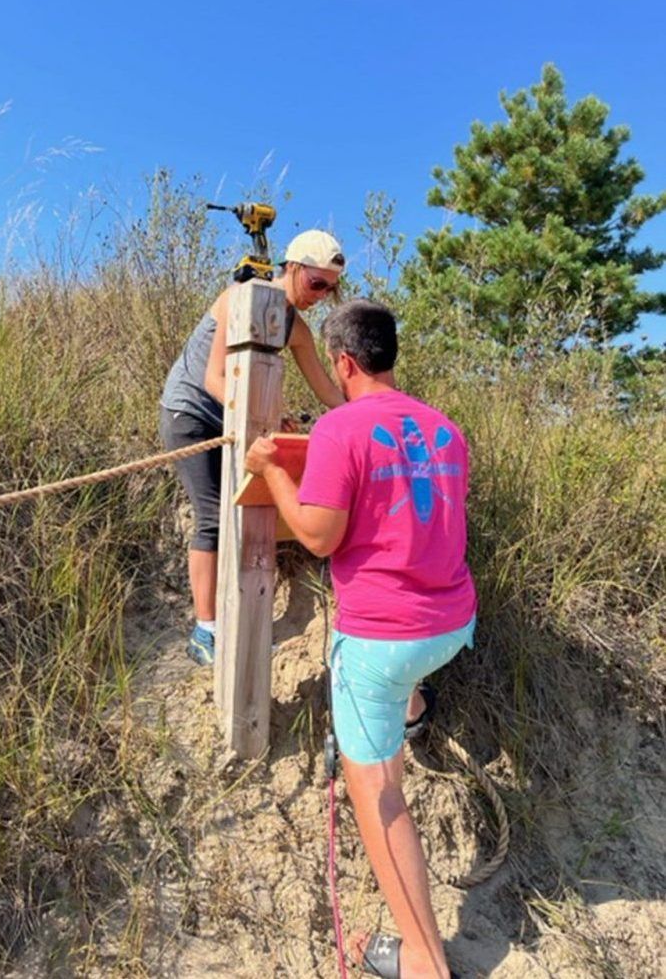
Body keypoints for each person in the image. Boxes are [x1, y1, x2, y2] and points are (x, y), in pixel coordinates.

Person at [244, 299, 475, 979]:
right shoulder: (446, 429)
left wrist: (276, 469)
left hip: (381, 640)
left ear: (342, 362)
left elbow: (317, 535)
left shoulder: (342, 428)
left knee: (380, 798)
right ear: (387, 356)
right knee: (404, 685)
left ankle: (425, 961)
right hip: (452, 623)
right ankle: (413, 706)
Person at [159, 229, 346, 665]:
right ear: (293, 267)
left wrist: (375, 410)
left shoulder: (296, 329)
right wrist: (260, 418)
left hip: (235, 420)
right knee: (212, 517)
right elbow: (214, 380)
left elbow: (325, 390)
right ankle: (205, 631)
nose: (321, 295)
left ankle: (240, 620)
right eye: (316, 283)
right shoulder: (238, 299)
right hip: (190, 414)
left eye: (331, 289)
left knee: (250, 510)